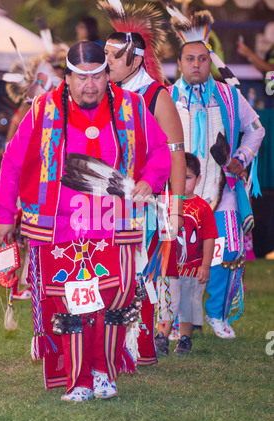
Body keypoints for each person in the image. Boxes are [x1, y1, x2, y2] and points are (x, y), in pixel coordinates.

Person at [0, 42, 171, 402]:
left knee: (111, 300)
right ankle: (79, 380)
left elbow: (161, 151)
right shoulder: (43, 109)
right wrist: (5, 213)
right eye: (81, 77)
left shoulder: (132, 109)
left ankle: (103, 371)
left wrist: (150, 180)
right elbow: (12, 161)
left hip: (112, 224)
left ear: (107, 74)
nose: (90, 85)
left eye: (97, 75)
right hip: (57, 225)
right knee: (70, 303)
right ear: (67, 77)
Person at [166, 9, 265, 339]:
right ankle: (173, 319)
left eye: (203, 59)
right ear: (179, 64)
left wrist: (241, 157)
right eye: (190, 59)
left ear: (211, 62)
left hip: (220, 192)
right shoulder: (165, 99)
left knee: (228, 254)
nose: (196, 65)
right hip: (177, 195)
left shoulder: (229, 96)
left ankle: (217, 314)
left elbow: (256, 130)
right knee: (173, 256)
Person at [99, 0, 186, 366]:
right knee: (110, 272)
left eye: (113, 58)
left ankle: (139, 347)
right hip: (108, 203)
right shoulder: (104, 93)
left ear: (134, 60)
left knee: (139, 275)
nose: (105, 64)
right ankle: (110, 343)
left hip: (149, 206)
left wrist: (176, 211)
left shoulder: (156, 96)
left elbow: (177, 155)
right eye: (104, 56)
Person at [155, 153, 218, 355]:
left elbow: (209, 238)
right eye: (178, 177)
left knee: (188, 302)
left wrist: (205, 266)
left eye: (188, 177)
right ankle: (161, 337)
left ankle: (184, 339)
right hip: (169, 267)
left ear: (199, 180)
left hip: (193, 269)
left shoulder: (203, 208)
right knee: (168, 300)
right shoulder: (164, 202)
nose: (182, 182)